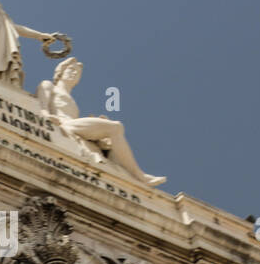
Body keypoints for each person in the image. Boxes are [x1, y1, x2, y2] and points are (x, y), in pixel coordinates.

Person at [36, 58, 165, 185]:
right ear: (60, 72)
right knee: (116, 127)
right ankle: (139, 175)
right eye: (71, 69)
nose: (74, 74)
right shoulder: (48, 85)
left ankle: (129, 177)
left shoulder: (72, 99)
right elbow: (42, 107)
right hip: (64, 124)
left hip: (74, 125)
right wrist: (47, 115)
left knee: (112, 140)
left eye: (78, 73)